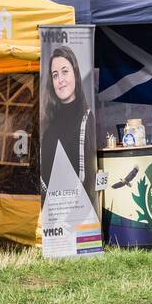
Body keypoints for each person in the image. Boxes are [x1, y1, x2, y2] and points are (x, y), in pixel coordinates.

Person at [39, 45, 93, 194]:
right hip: (50, 210)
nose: (60, 80)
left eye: (65, 72)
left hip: (80, 209)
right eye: (55, 75)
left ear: (75, 74)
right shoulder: (46, 123)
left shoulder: (87, 119)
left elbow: (90, 177)